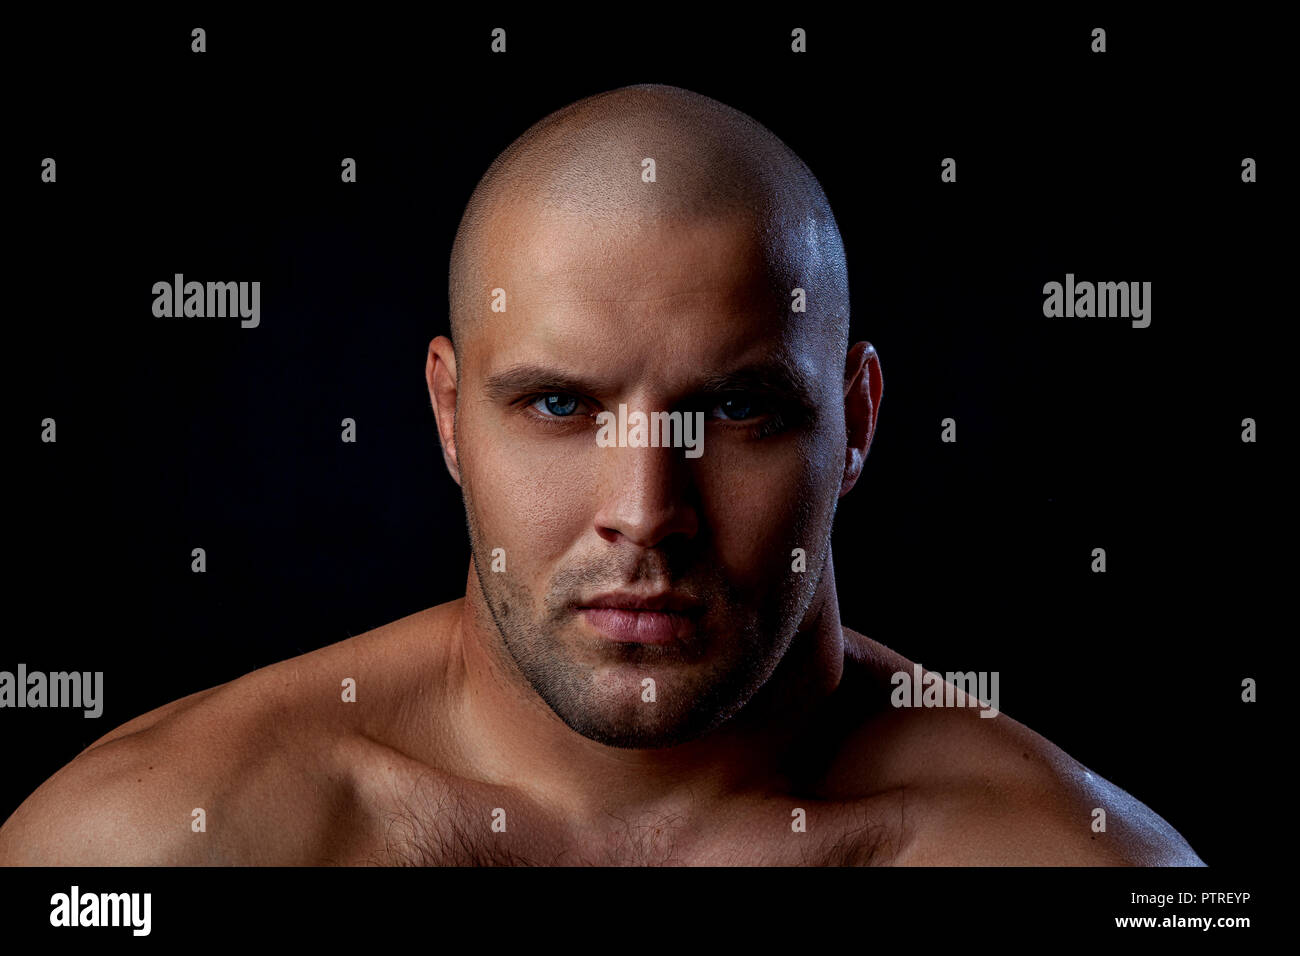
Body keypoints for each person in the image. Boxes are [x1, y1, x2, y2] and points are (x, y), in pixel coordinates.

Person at [0, 84, 1203, 866]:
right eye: (561, 404)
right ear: (448, 416)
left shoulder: (1077, 862)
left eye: (735, 407)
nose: (645, 515)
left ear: (855, 422)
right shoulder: (148, 849)